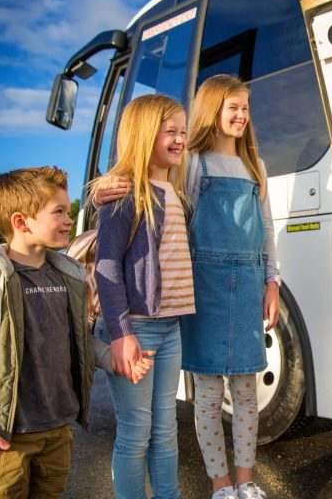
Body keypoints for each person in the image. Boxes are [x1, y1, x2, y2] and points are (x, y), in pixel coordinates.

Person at [95, 75, 280, 499]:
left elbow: (266, 228)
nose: (241, 115)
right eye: (232, 106)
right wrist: (105, 187)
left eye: (245, 108)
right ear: (211, 109)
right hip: (200, 295)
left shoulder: (256, 166)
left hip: (238, 287)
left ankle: (245, 480)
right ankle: (219, 484)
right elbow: (139, 180)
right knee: (194, 404)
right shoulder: (191, 164)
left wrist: (273, 278)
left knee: (236, 397)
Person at [0, 166, 149, 498]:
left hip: (58, 428)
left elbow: (79, 339)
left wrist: (111, 358)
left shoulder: (66, 275)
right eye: (58, 212)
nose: (69, 219)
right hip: (8, 435)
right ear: (20, 222)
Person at [92, 94, 194, 499]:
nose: (180, 139)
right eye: (170, 131)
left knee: (166, 430)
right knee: (136, 433)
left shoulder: (175, 190)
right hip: (135, 329)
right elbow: (107, 267)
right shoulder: (124, 193)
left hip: (170, 329)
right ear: (143, 134)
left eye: (183, 132)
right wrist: (120, 333)